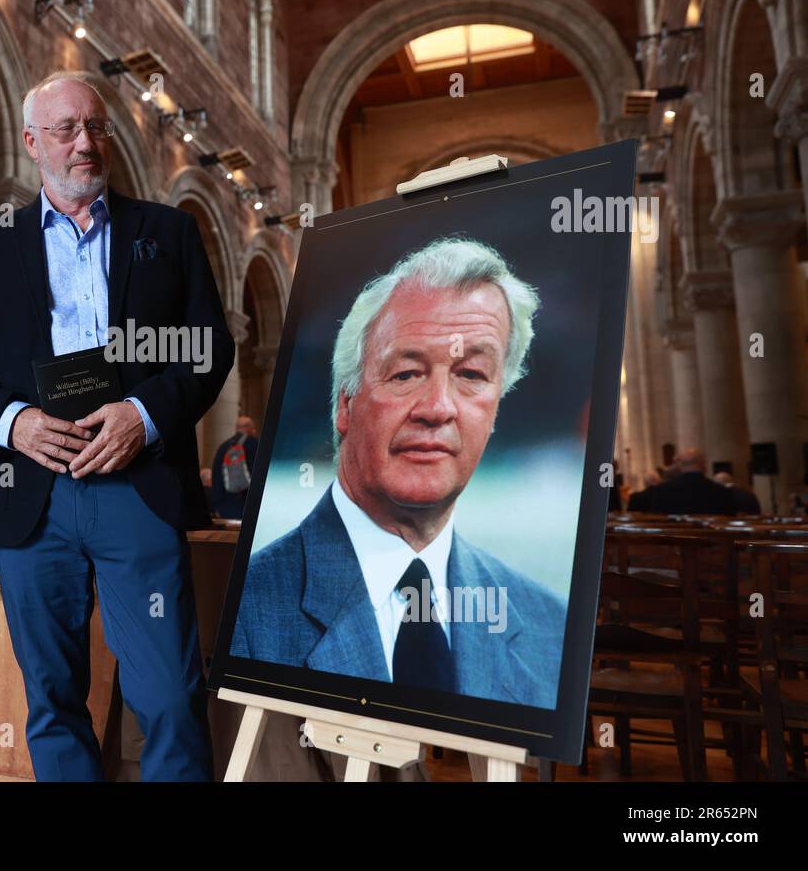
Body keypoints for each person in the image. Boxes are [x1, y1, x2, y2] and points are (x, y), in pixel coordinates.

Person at [0, 71, 233, 780]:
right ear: (32, 142)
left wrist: (144, 413)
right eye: (66, 130)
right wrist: (14, 423)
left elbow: (209, 345)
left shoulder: (167, 231)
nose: (85, 144)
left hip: (137, 486)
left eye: (96, 128)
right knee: (52, 700)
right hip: (34, 493)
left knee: (168, 694)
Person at [231, 237, 565, 709]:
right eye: (406, 373)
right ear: (346, 403)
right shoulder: (245, 614)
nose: (438, 409)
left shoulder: (550, 627)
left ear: (495, 408)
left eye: (471, 374)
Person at [645, 448, 738, 515]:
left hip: (675, 542)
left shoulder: (663, 491)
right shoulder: (723, 492)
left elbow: (656, 519)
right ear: (704, 465)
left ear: (679, 466)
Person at [208, 415, 259, 520]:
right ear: (250, 428)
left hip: (224, 504)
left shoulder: (223, 447)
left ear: (236, 428)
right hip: (247, 504)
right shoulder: (254, 444)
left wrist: (216, 504)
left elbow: (215, 476)